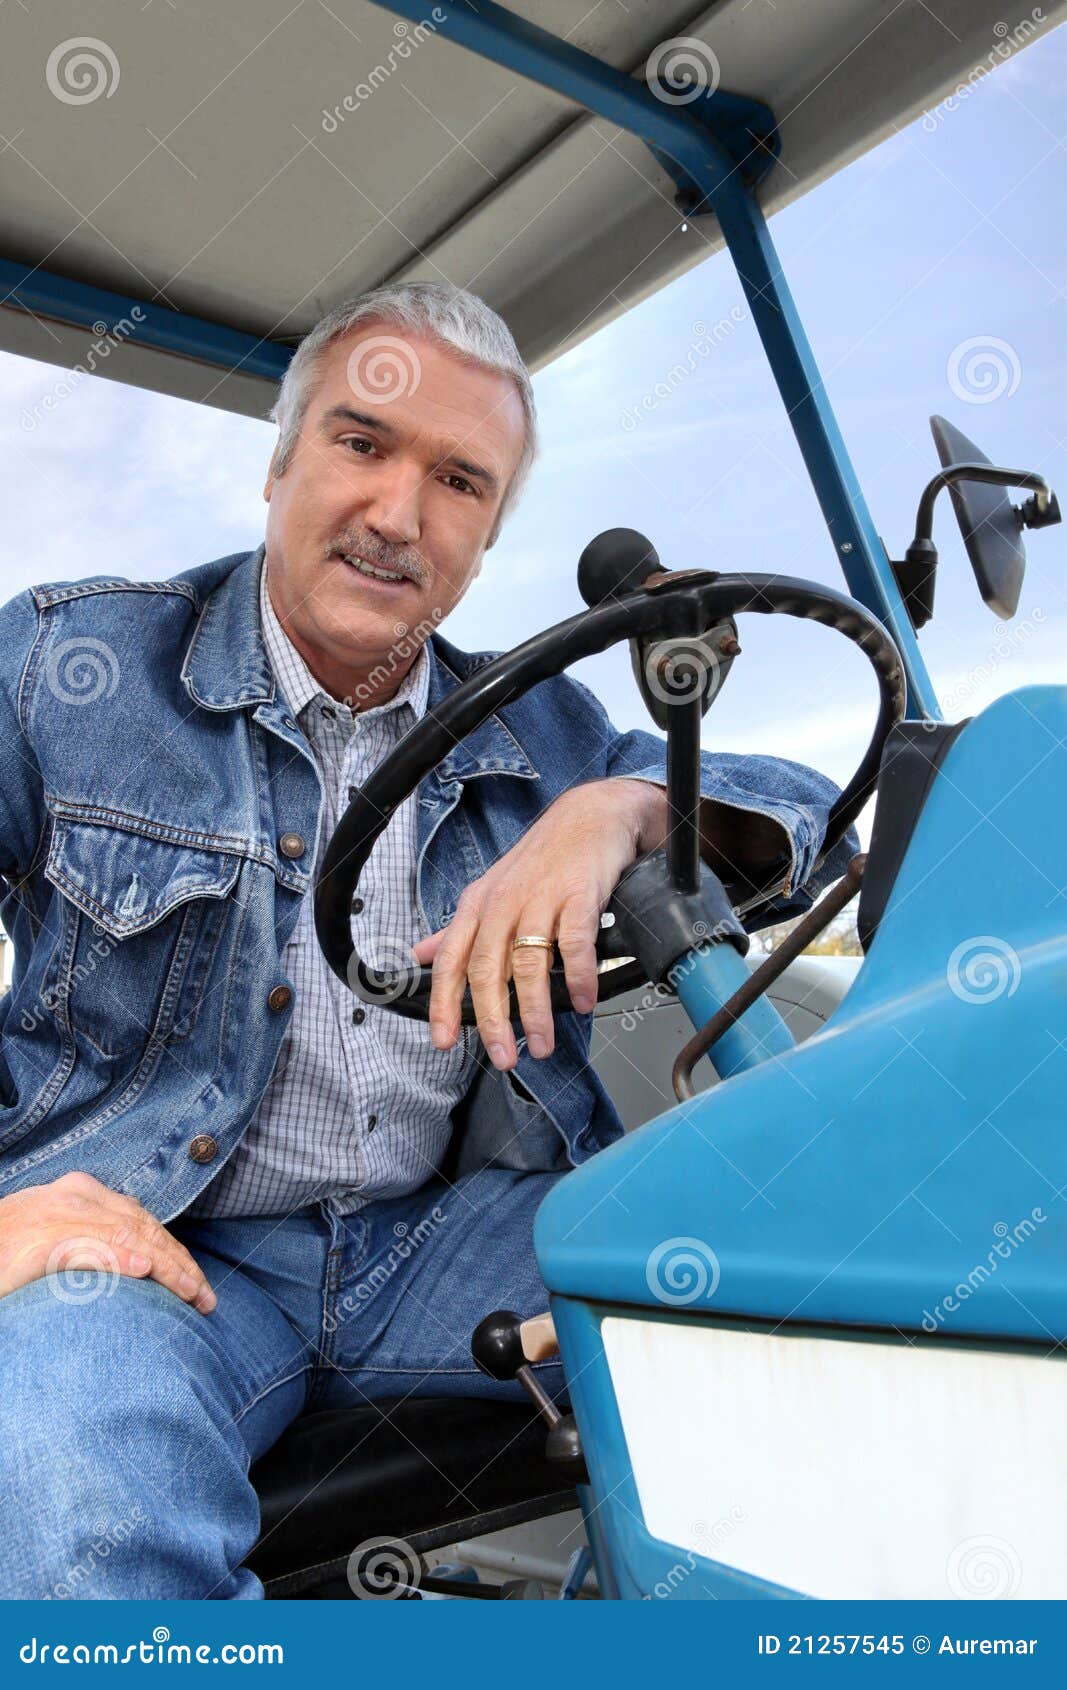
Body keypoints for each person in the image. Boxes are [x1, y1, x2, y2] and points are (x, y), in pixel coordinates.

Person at [0, 283, 856, 1597]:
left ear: (489, 532)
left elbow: (816, 819)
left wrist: (619, 809)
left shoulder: (544, 732)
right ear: (281, 461)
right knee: (69, 1490)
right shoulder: (72, 667)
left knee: (818, 1294)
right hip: (158, 1252)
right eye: (362, 442)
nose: (399, 515)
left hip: (442, 1240)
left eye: (459, 481)